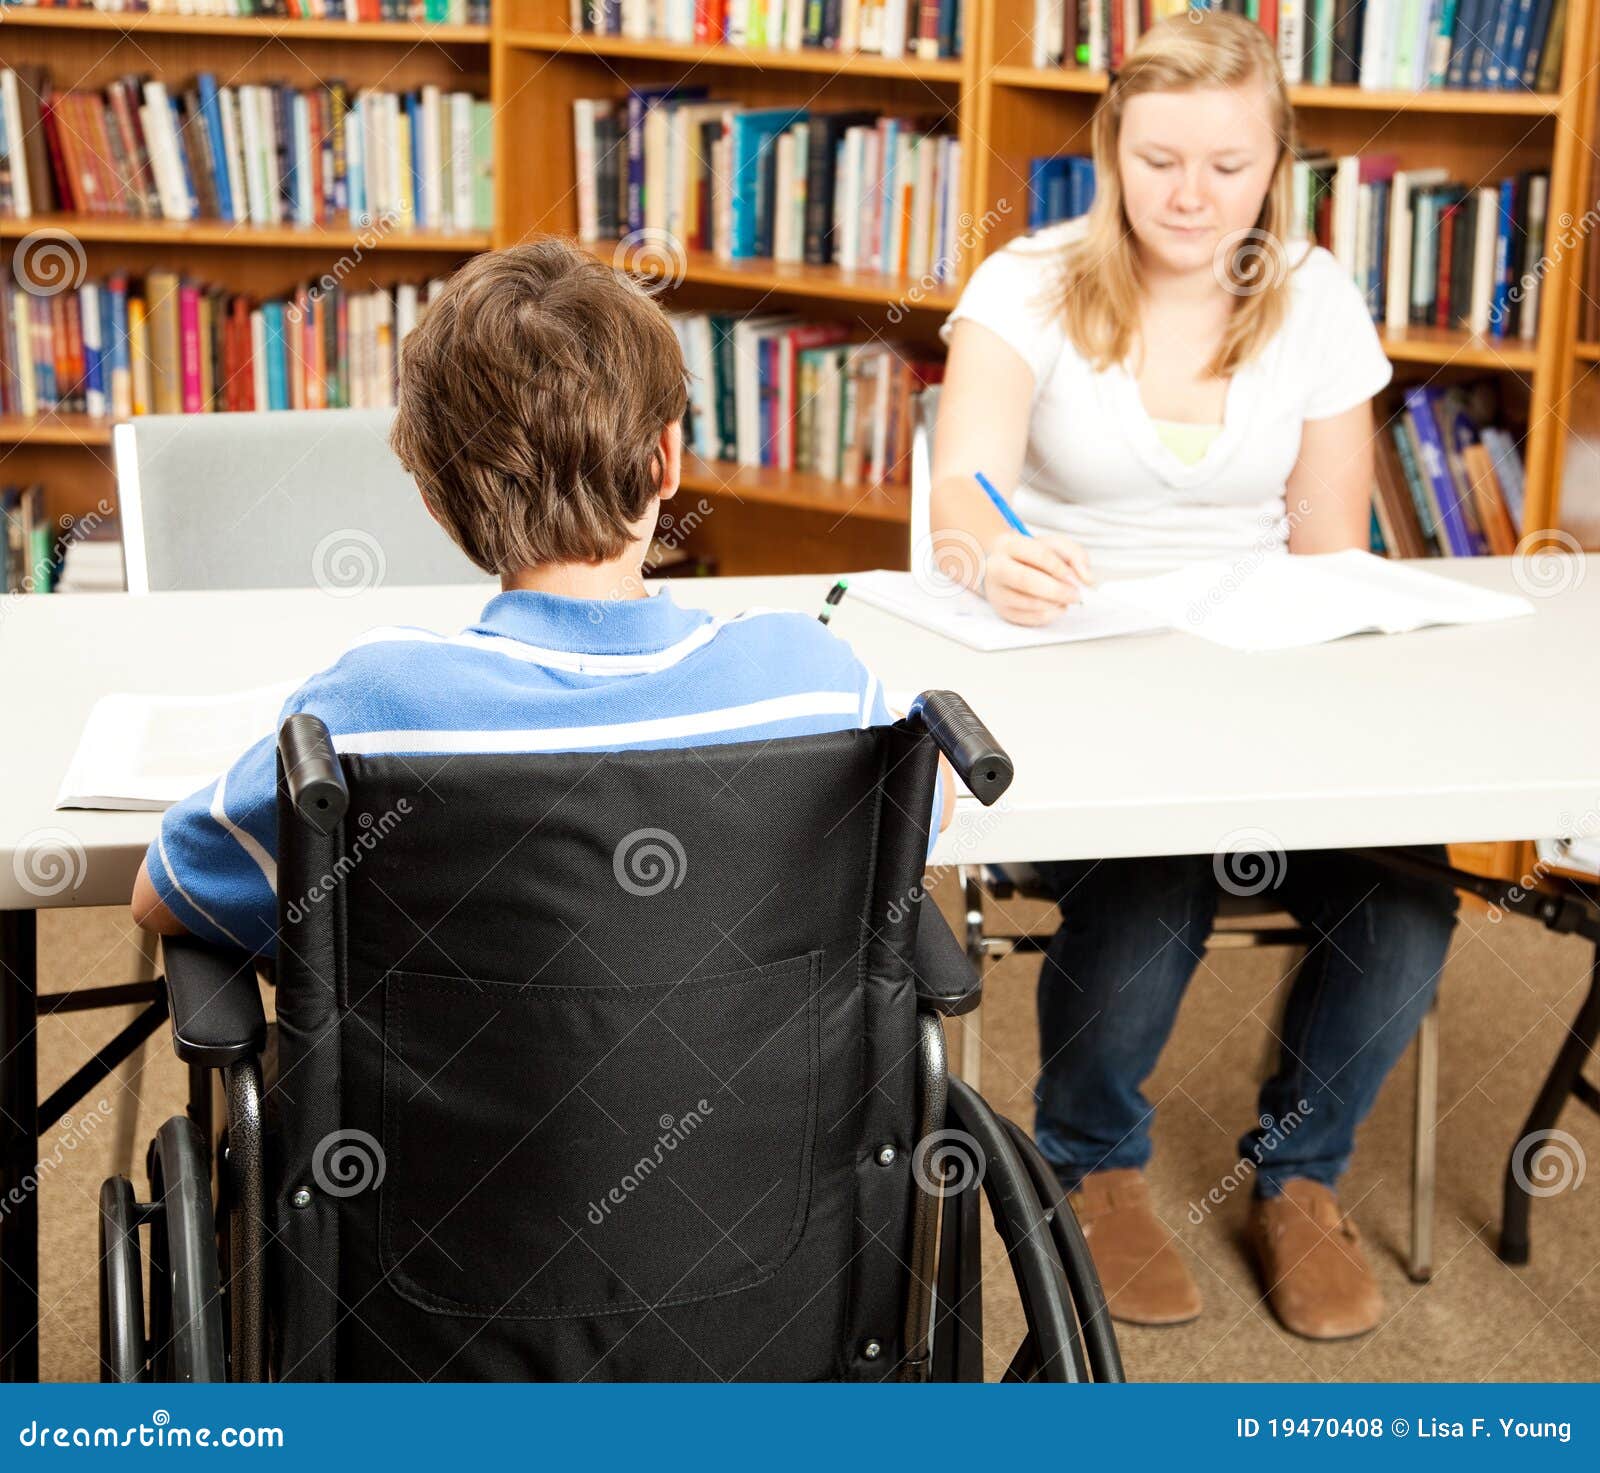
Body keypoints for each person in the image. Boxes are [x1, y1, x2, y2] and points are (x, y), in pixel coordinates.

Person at [929, 11, 1458, 1339]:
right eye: (1159, 158)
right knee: (1155, 879)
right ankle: (1091, 1161)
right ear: (1112, 145)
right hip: (1079, 676)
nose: (1190, 196)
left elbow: (1334, 547)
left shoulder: (1318, 296)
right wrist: (995, 557)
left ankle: (1301, 1177)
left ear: (1278, 160)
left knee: (1408, 900)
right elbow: (961, 494)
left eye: (1228, 166)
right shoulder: (1027, 283)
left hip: (1261, 676)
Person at [132, 238, 952, 958]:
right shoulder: (813, 678)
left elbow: (162, 893)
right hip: (788, 1135)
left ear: (434, 499)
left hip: (428, 1138)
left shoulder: (365, 711)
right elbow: (931, 801)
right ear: (669, 459)